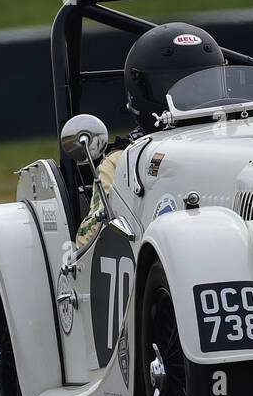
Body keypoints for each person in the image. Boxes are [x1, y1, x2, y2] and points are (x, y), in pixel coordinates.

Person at [75, 22, 224, 249]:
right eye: (170, 87)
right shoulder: (120, 160)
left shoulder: (238, 140)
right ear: (140, 89)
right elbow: (87, 241)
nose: (192, 97)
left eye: (204, 85)